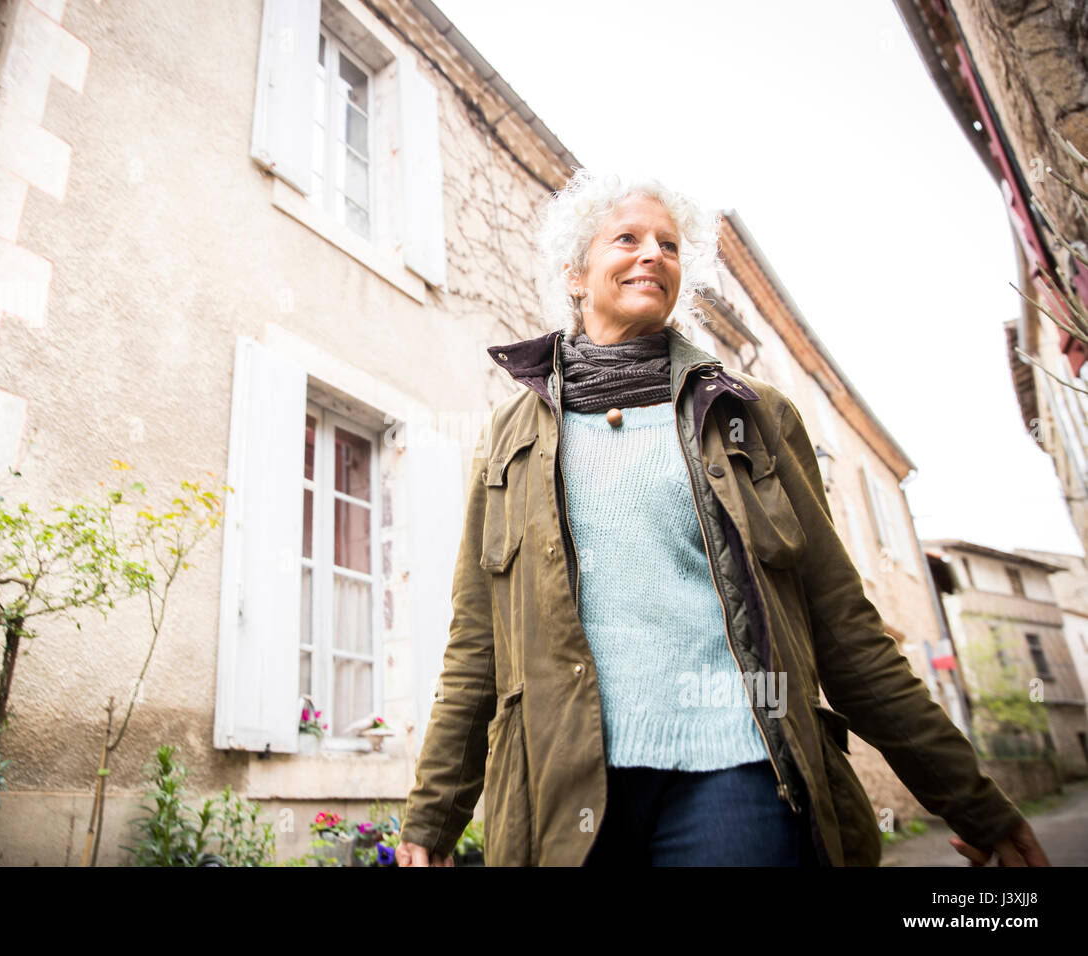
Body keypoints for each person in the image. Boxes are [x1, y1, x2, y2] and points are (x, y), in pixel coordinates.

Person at [396, 168, 1049, 867]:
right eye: (628, 239)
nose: (654, 255)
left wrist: (969, 800)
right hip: (562, 792)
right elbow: (476, 647)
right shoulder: (509, 436)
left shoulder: (752, 416)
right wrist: (433, 818)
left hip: (737, 773)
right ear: (575, 274)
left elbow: (844, 630)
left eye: (670, 247)